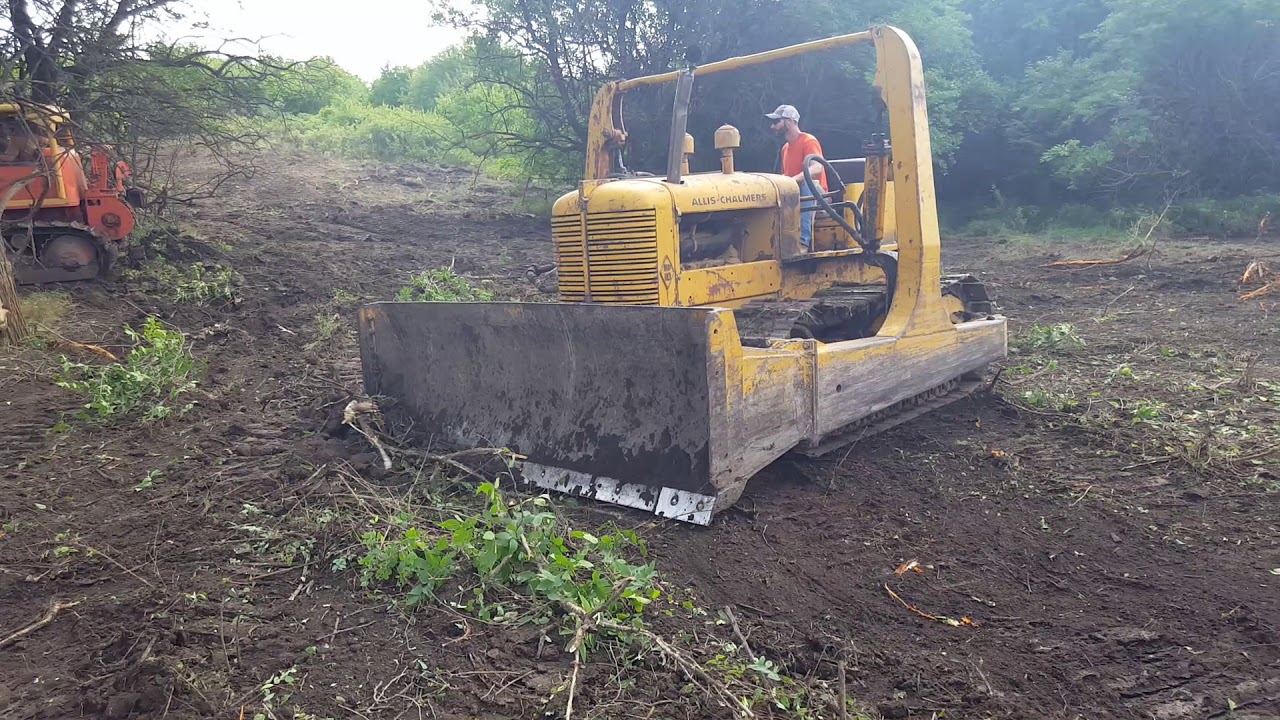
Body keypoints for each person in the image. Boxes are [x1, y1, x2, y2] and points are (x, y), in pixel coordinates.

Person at [765, 104, 826, 250]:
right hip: (796, 193)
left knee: (806, 184)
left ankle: (802, 242)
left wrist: (792, 181)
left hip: (818, 195)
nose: (773, 126)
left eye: (776, 122)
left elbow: (817, 167)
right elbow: (786, 175)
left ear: (789, 121)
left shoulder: (808, 141)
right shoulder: (785, 148)